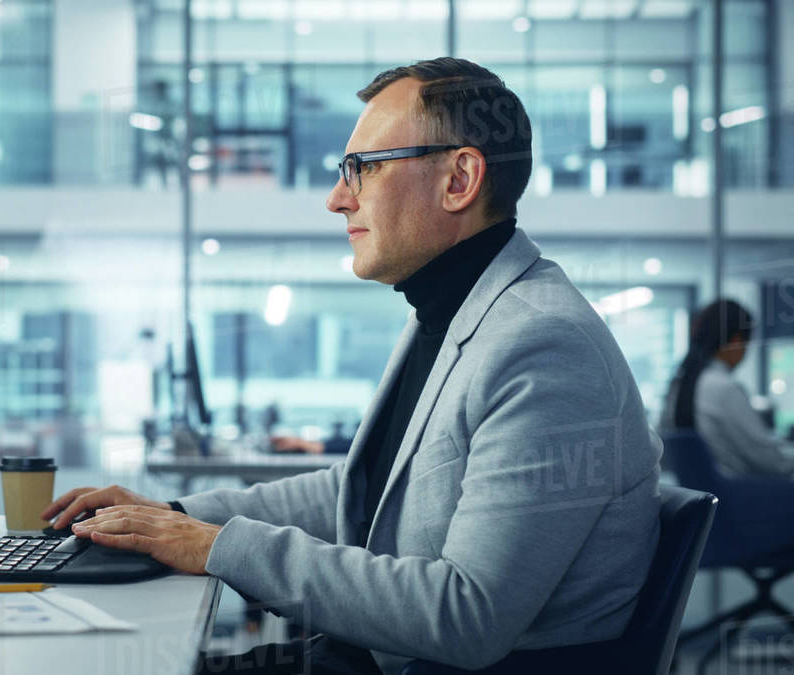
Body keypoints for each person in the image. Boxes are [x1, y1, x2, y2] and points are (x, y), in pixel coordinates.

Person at [43, 58, 661, 673]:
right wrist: (173, 520)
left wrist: (216, 547)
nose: (338, 199)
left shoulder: (543, 344)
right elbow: (361, 493)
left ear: (459, 179)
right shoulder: (451, 315)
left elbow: (467, 615)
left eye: (361, 169)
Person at [663, 299, 794, 476]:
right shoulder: (723, 388)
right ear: (736, 341)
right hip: (745, 496)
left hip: (701, 495)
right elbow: (770, 460)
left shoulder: (679, 385)